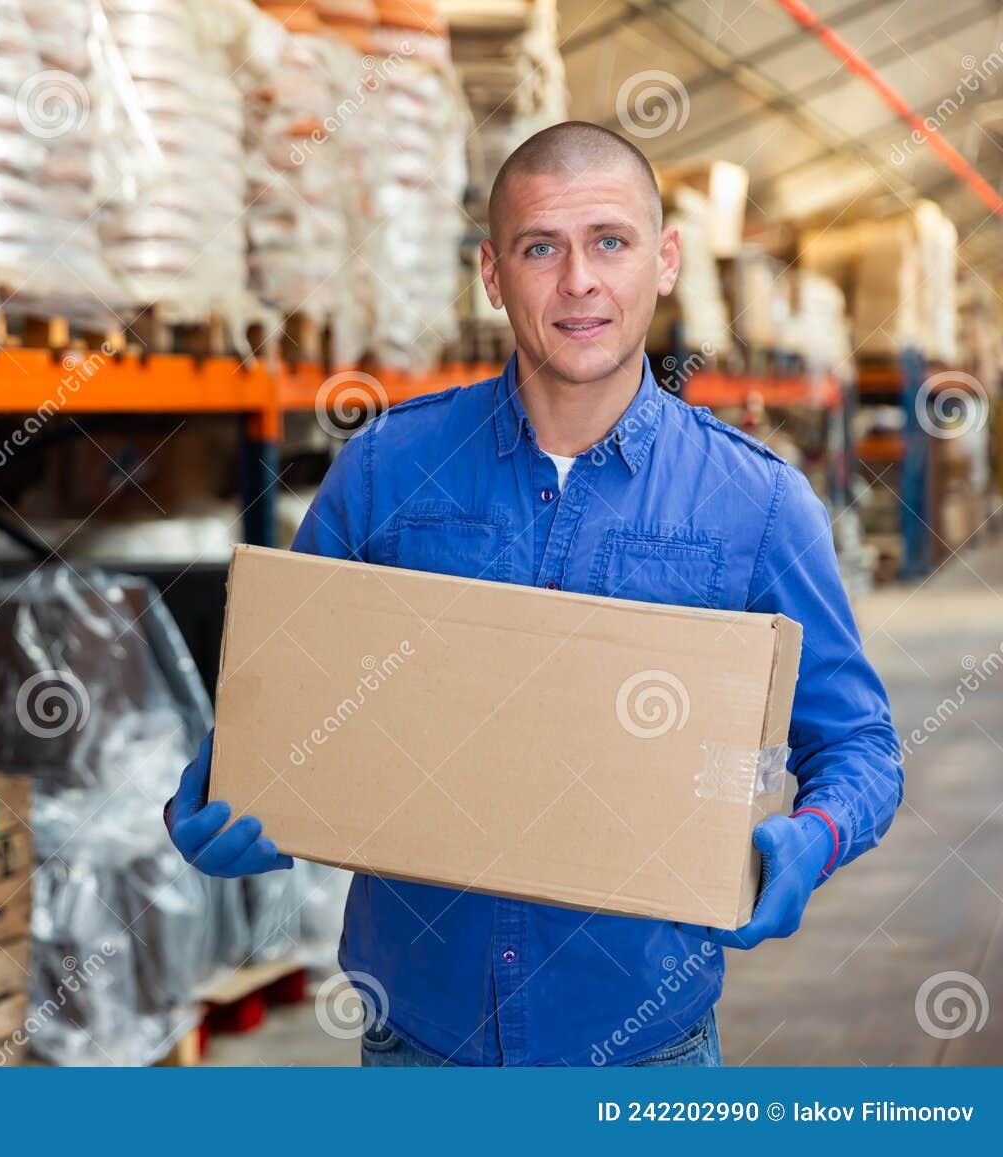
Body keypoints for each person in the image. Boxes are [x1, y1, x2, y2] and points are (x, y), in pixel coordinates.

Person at [164, 122, 903, 1067]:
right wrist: (227, 782)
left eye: (611, 241)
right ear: (492, 273)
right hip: (415, 1047)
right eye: (540, 248)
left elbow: (861, 744)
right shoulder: (387, 471)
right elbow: (285, 698)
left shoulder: (755, 504)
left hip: (644, 1056)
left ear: (665, 260)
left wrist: (817, 833)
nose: (579, 281)